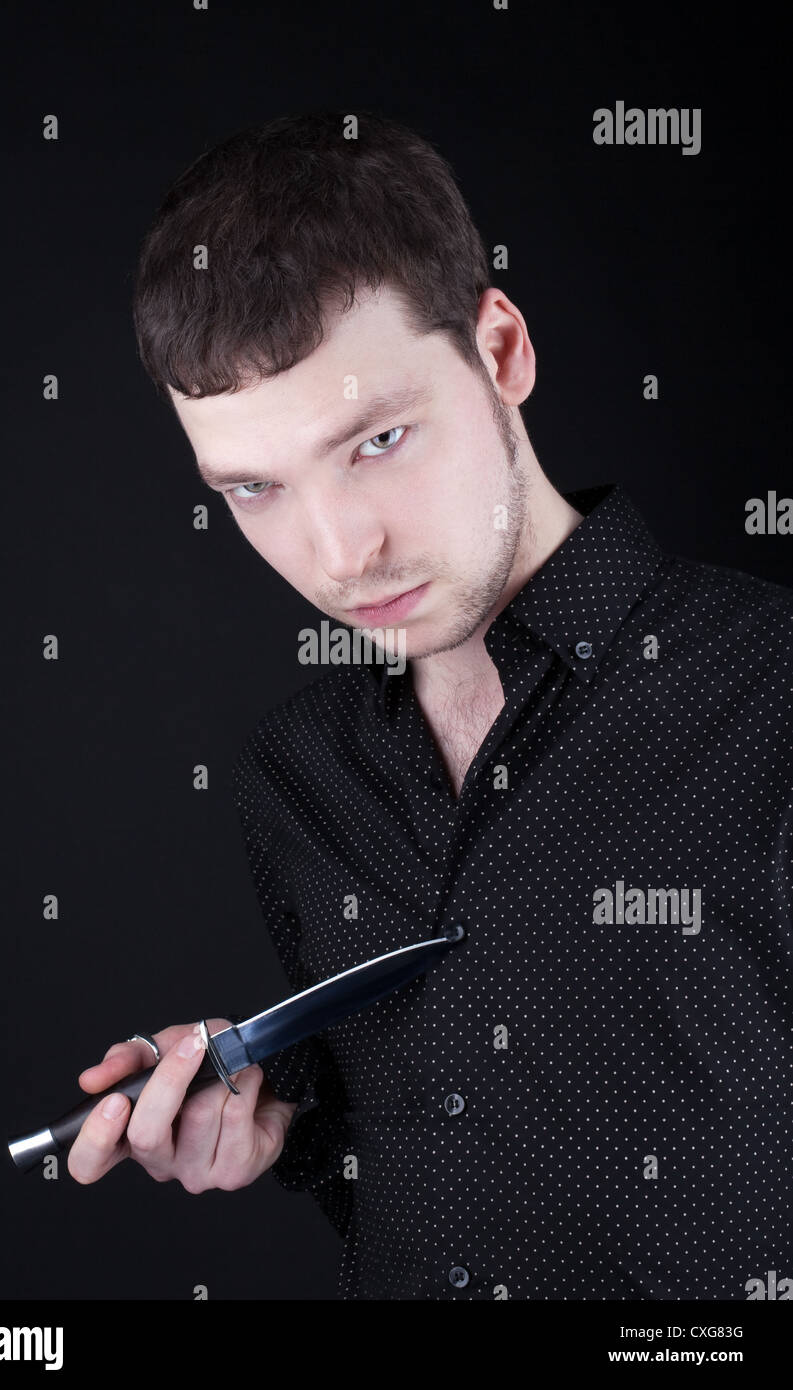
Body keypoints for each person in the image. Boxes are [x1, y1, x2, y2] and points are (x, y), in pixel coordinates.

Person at [67, 110, 793, 1300]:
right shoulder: (299, 776)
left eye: (378, 439)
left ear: (498, 351)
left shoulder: (768, 698)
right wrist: (285, 1132)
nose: (340, 552)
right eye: (254, 488)